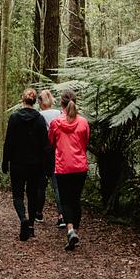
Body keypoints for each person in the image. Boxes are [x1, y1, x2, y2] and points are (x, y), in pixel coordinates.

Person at [1, 87, 51, 242]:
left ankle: (23, 218)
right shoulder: (40, 119)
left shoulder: (14, 118)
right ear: (35, 101)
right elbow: (45, 145)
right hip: (35, 165)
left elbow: (8, 141)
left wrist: (5, 161)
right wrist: (47, 165)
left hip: (17, 164)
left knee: (17, 195)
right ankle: (30, 227)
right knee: (32, 194)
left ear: (23, 99)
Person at [49, 87, 90, 251]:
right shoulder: (83, 122)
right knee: (75, 200)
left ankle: (71, 229)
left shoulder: (56, 123)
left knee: (65, 200)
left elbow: (51, 142)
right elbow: (85, 142)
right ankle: (74, 232)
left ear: (62, 103)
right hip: (80, 166)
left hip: (63, 167)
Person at [37, 89, 62, 225]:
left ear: (41, 102)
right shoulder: (58, 113)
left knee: (41, 185)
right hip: (56, 152)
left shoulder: (39, 115)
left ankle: (39, 213)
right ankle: (61, 215)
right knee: (57, 185)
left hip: (42, 153)